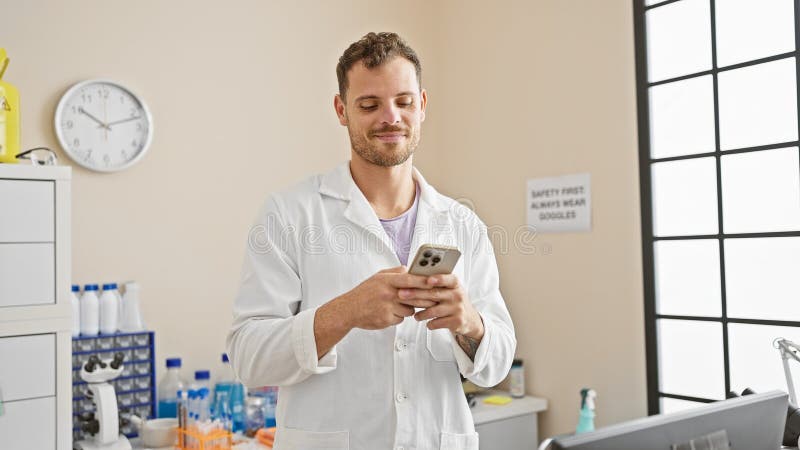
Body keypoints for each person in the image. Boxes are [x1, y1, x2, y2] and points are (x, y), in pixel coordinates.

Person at [227, 32, 516, 450]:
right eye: (369, 105)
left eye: (404, 102)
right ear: (341, 110)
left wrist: (469, 323)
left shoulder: (461, 223)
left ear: (422, 106)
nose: (390, 117)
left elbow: (497, 363)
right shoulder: (289, 214)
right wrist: (345, 312)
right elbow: (248, 358)